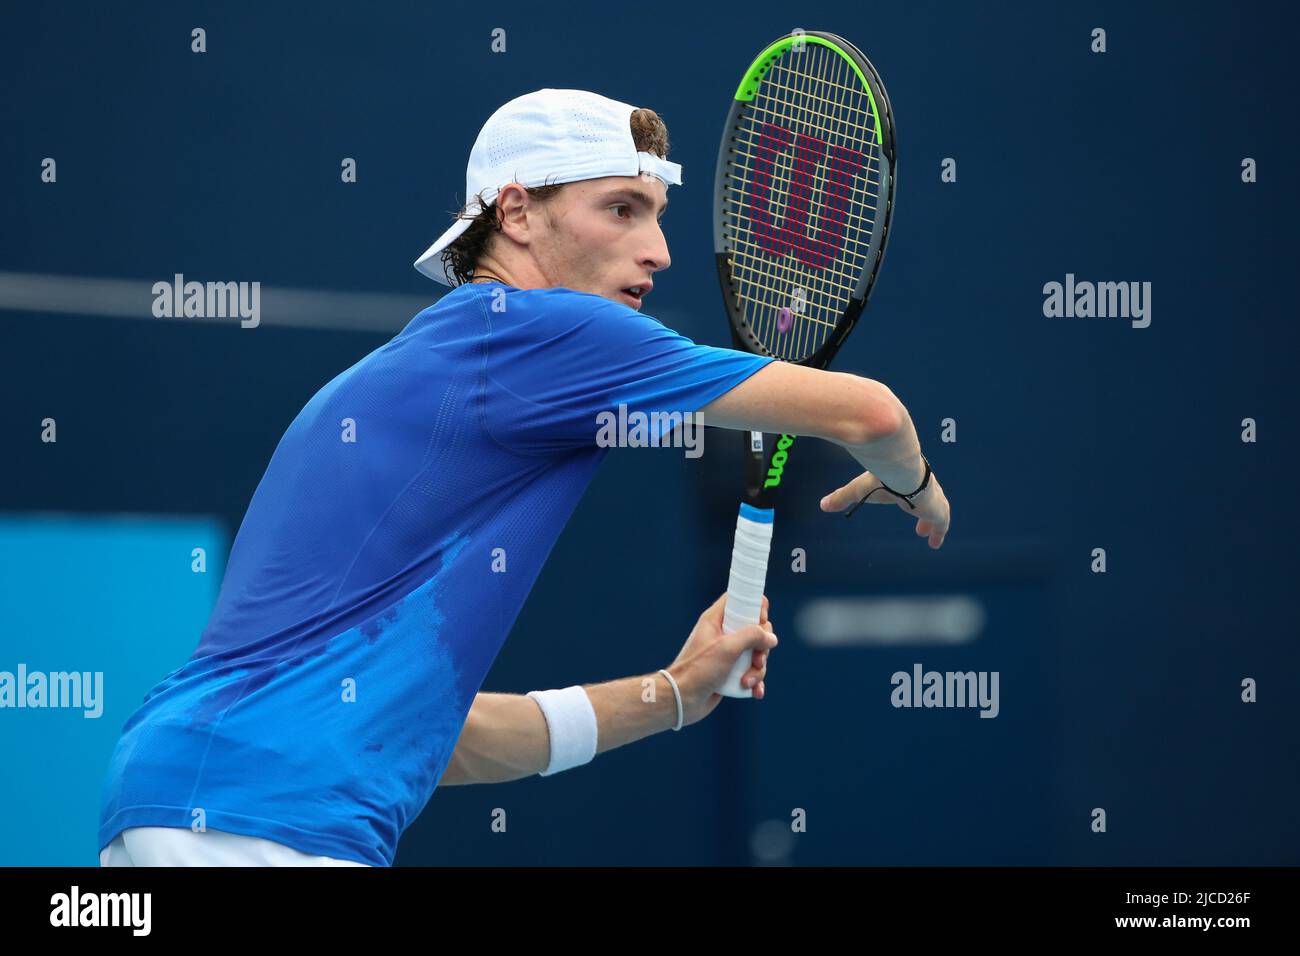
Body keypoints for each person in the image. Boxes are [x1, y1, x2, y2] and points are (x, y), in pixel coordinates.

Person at [97, 88, 949, 867]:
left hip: (168, 801)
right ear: (517, 213)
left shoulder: (433, 365)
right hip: (267, 824)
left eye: (657, 214)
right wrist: (913, 484)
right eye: (621, 209)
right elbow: (870, 414)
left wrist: (674, 697)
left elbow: (430, 735)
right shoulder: (547, 332)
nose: (657, 250)